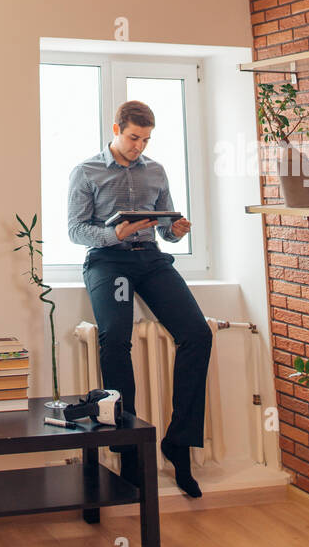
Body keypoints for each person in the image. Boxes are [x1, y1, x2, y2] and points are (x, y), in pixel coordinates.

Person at [67, 99, 212, 497]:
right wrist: (112, 235)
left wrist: (177, 230)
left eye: (145, 140)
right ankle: (129, 451)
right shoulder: (86, 170)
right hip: (109, 262)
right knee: (115, 339)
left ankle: (178, 445)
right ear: (116, 130)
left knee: (198, 335)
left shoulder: (157, 171)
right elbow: (76, 230)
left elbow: (164, 228)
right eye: (133, 138)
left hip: (150, 260)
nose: (139, 146)